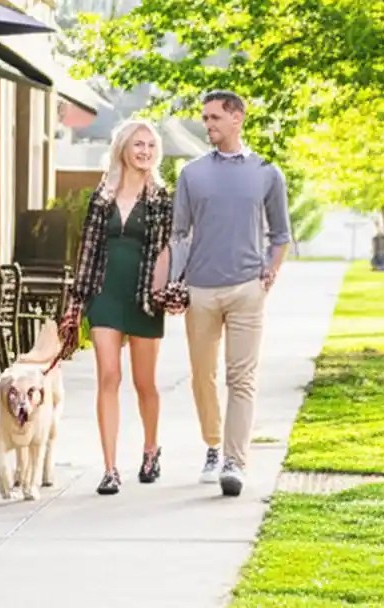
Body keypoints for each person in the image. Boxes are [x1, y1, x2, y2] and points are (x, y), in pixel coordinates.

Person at [168, 90, 291, 497]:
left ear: (237, 118)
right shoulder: (192, 174)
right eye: (205, 118)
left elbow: (281, 233)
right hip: (201, 291)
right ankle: (212, 444)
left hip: (246, 292)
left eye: (215, 117)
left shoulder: (267, 172)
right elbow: (180, 234)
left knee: (242, 379)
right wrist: (173, 281)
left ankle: (235, 462)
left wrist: (270, 271)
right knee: (202, 376)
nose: (208, 124)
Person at [61, 119, 173, 495]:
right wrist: (76, 303)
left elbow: (168, 252)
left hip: (143, 297)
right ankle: (110, 469)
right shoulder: (102, 196)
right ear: (123, 148)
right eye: (138, 144)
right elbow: (87, 252)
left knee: (145, 384)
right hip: (104, 293)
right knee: (108, 377)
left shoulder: (161, 199)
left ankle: (150, 449)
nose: (144, 151)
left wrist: (170, 292)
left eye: (150, 146)